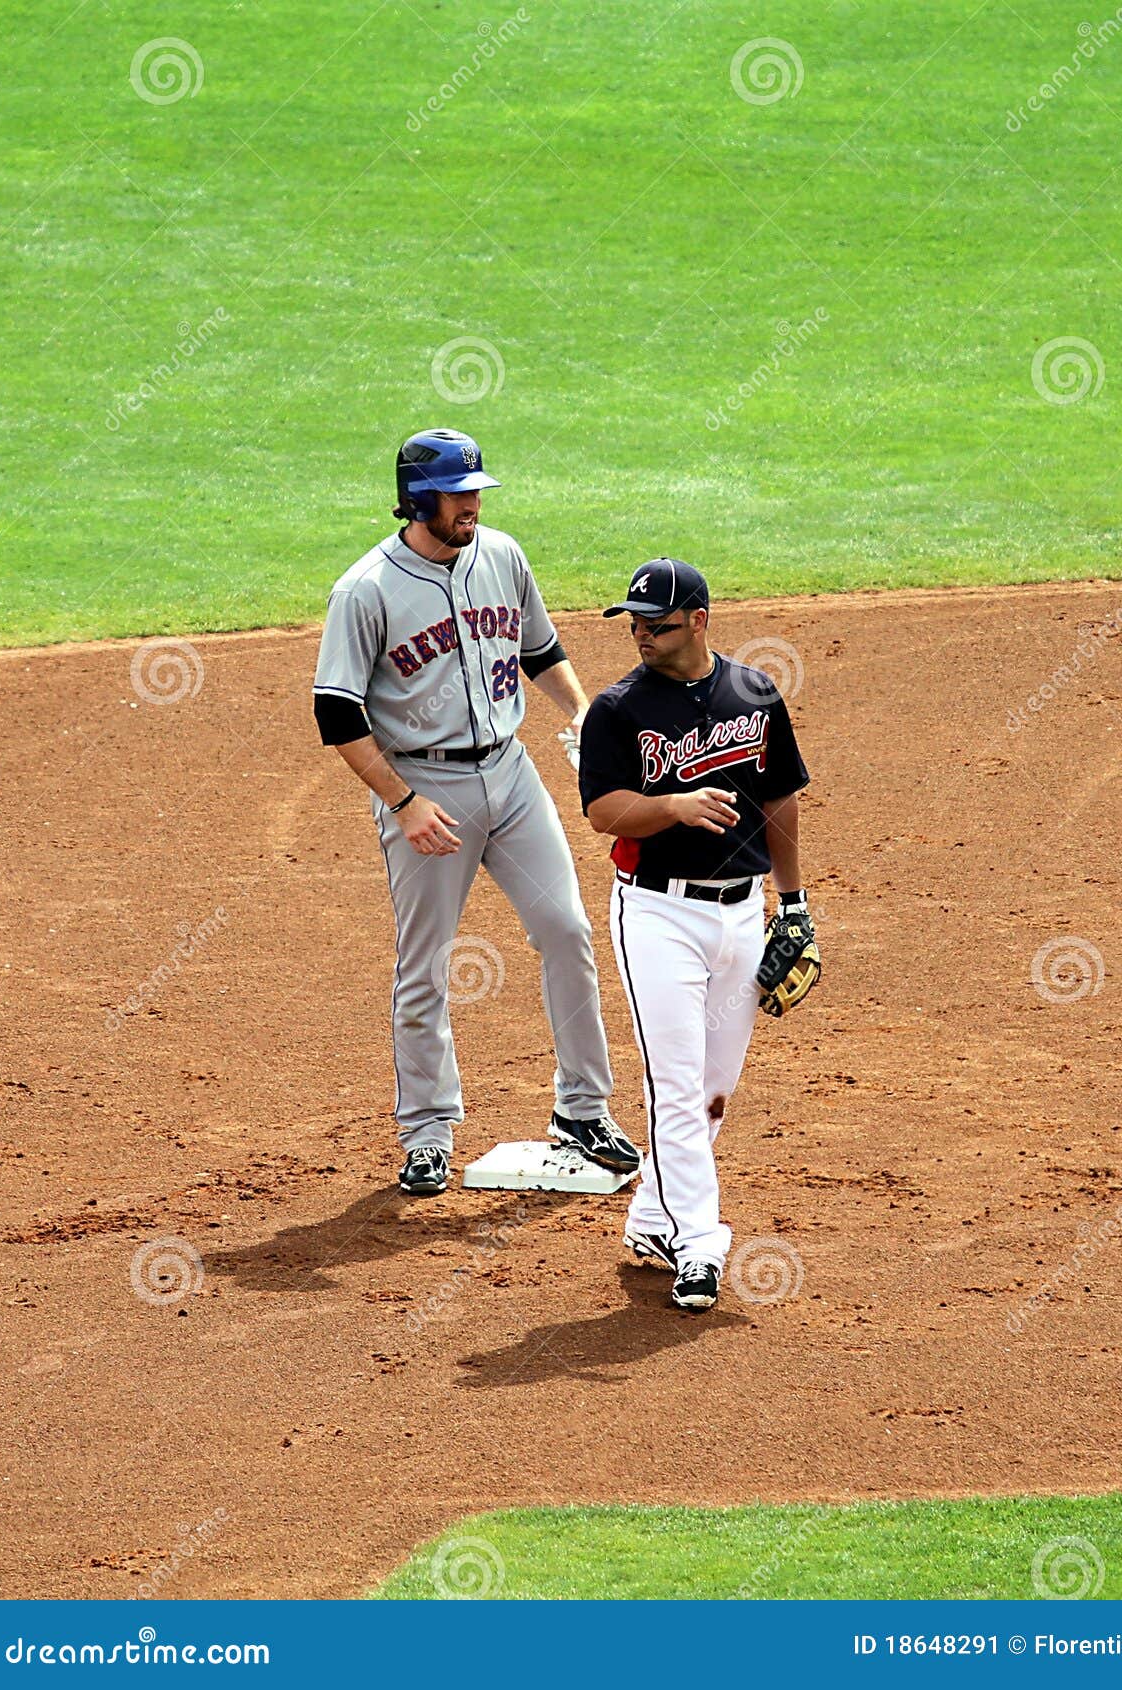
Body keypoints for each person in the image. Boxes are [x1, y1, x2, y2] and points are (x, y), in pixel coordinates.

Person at [312, 428, 638, 1195]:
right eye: (461, 494)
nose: (474, 505)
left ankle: (583, 1111)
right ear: (419, 500)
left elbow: (538, 649)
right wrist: (403, 802)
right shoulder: (365, 590)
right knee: (425, 963)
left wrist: (583, 714)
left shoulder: (502, 555)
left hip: (512, 773)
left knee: (568, 929)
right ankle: (427, 1131)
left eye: (477, 492)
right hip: (426, 790)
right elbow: (336, 714)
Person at [578, 559, 811, 1310]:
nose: (642, 634)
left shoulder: (754, 692)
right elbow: (604, 812)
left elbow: (780, 798)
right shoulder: (616, 711)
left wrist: (795, 903)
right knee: (674, 1088)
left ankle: (652, 1218)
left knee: (713, 1093)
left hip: (743, 914)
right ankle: (701, 1246)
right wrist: (673, 807)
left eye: (659, 623)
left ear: (700, 620)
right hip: (657, 916)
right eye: (635, 623)